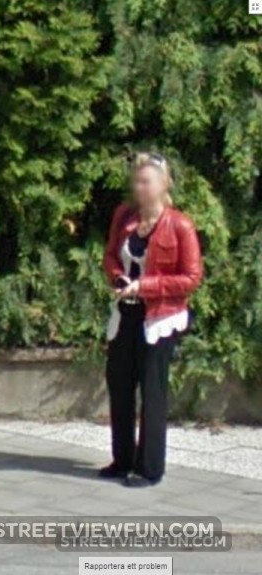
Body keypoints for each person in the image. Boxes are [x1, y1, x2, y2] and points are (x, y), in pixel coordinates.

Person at [100, 152, 202, 488]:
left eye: (146, 181)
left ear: (164, 185)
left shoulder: (180, 225)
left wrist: (145, 286)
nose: (139, 187)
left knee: (152, 391)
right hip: (126, 312)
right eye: (136, 180)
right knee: (120, 384)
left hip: (160, 317)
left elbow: (191, 278)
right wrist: (117, 278)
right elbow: (112, 256)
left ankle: (149, 468)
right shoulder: (124, 216)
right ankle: (122, 458)